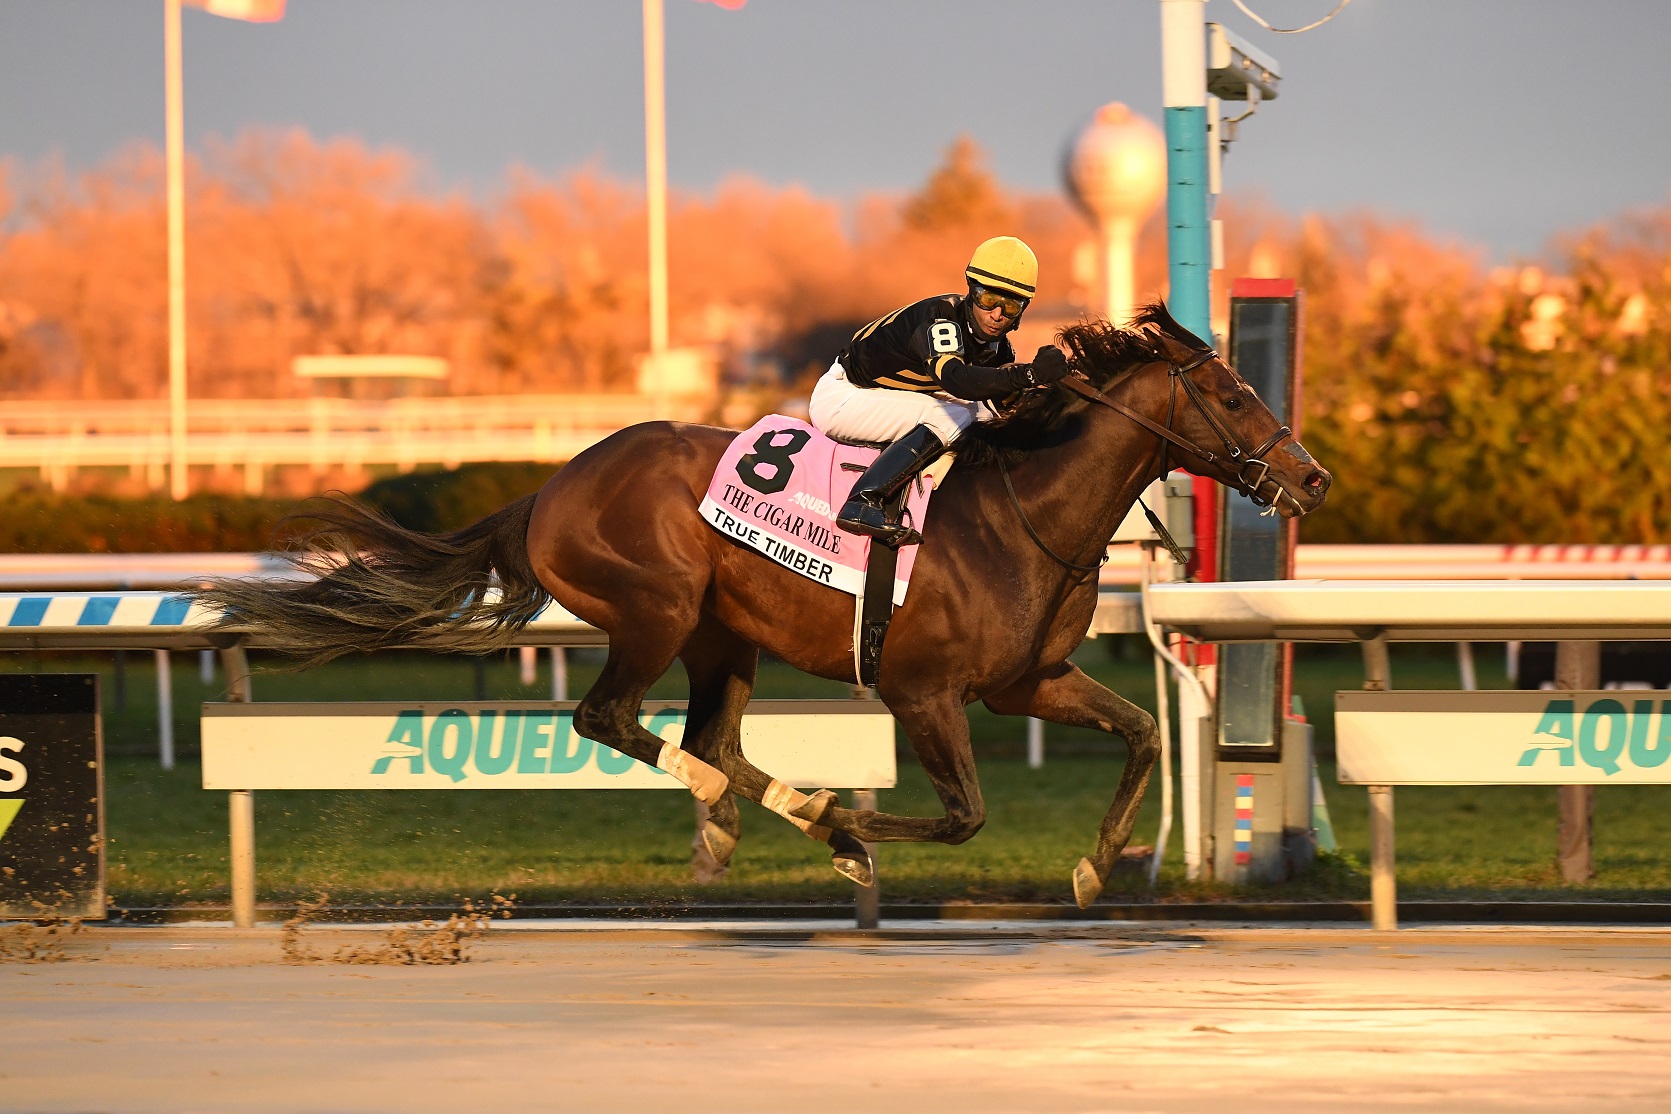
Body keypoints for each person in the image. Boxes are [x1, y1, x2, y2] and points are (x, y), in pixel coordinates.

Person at [810, 235, 1071, 546]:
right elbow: (956, 380)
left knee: (982, 416)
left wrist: (1057, 387)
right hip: (842, 396)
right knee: (950, 414)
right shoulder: (940, 317)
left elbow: (1000, 408)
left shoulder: (1000, 350)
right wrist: (1027, 374)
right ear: (972, 290)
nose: (998, 314)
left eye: (1010, 305)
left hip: (878, 398)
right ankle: (864, 500)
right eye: (989, 299)